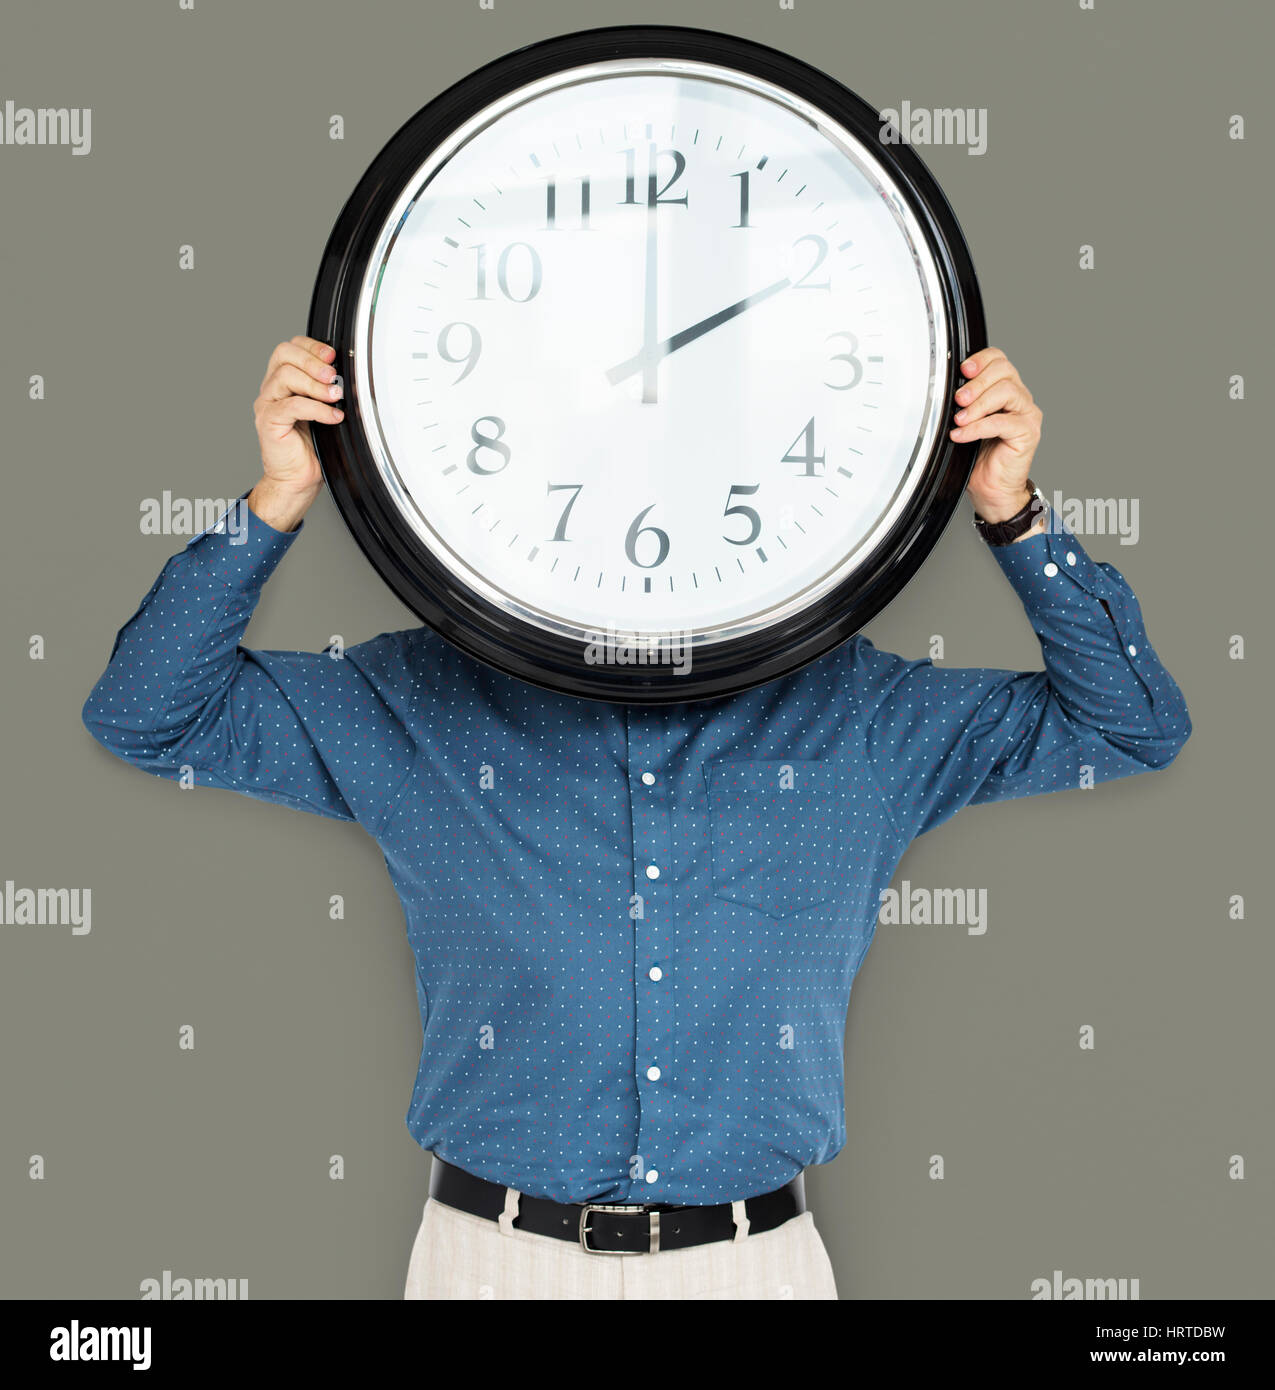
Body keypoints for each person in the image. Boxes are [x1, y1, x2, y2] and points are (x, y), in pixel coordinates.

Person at [81, 336, 1191, 1300]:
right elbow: (144, 714)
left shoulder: (867, 718)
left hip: (754, 1266)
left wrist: (1013, 510)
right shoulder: (417, 700)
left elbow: (1134, 723)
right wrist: (276, 496)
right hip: (489, 1262)